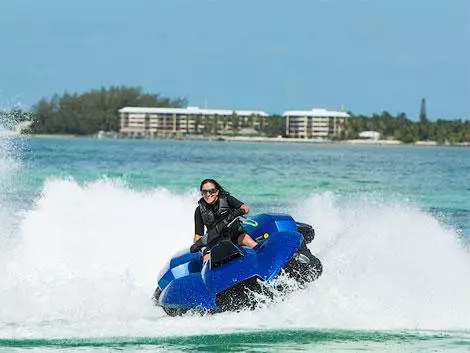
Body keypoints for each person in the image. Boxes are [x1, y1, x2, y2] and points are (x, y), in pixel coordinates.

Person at [193, 179, 257, 264]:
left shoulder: (227, 199)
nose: (208, 194)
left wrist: (238, 212)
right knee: (207, 259)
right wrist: (199, 245)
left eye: (212, 191)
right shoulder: (199, 211)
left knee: (247, 240)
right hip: (215, 241)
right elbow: (198, 235)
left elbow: (246, 208)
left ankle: (263, 258)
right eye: (205, 192)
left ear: (217, 192)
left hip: (235, 235)